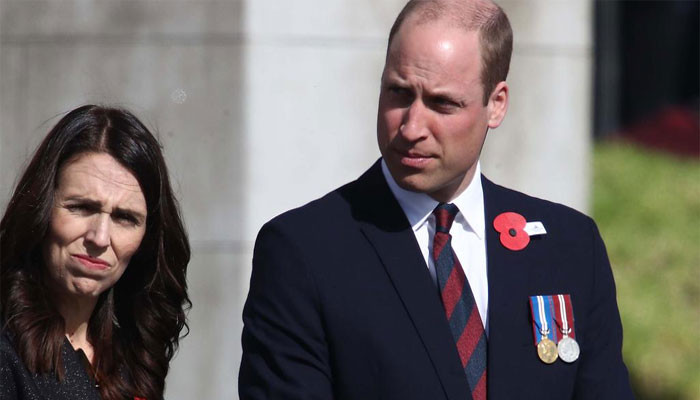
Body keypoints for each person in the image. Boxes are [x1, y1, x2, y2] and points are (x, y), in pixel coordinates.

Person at [239, 0, 634, 399]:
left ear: (496, 104)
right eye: (399, 93)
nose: (411, 127)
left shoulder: (569, 247)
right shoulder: (305, 251)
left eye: (442, 103)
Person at [0, 105, 191, 400]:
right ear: (40, 209)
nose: (100, 238)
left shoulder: (133, 357)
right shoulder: (7, 353)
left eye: (125, 218)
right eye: (82, 207)